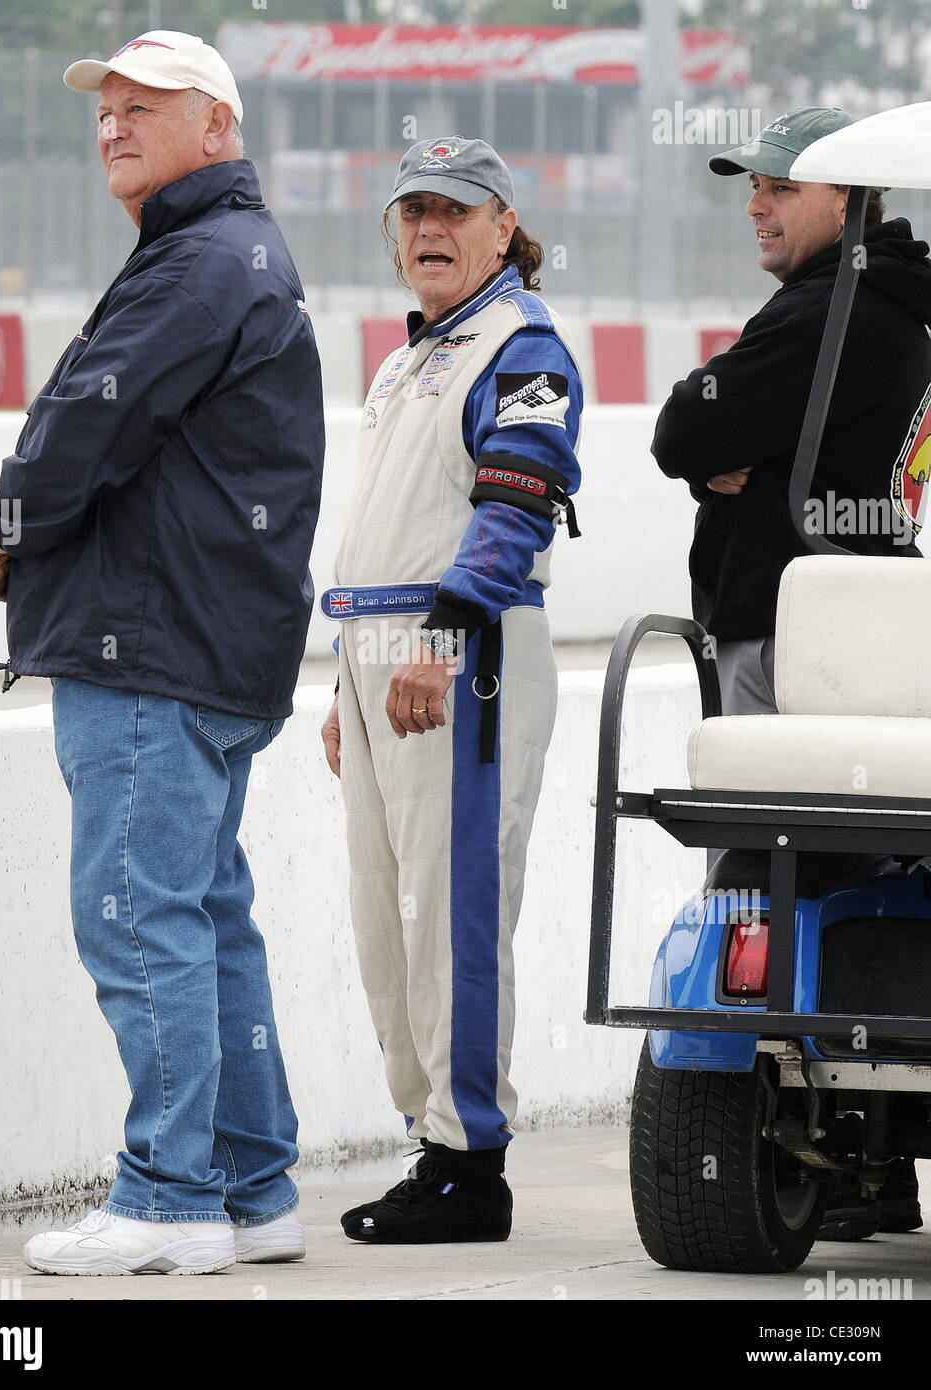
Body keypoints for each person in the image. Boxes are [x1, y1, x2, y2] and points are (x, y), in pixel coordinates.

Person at [0, 30, 324, 1274]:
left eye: (145, 107)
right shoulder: (226, 255)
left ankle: (167, 1200)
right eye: (105, 109)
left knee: (137, 919)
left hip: (149, 651)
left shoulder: (199, 265)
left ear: (218, 127)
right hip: (204, 648)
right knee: (206, 920)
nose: (113, 124)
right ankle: (257, 1191)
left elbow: (82, 430)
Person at [652, 106, 931, 1241]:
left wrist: (722, 452)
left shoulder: (830, 308)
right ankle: (868, 1173)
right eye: (750, 185)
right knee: (856, 853)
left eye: (778, 185)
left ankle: (807, 1119)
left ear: (844, 200)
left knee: (767, 866)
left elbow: (679, 429)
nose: (756, 203)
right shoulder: (904, 310)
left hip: (787, 621)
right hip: (874, 626)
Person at [320, 137, 583, 1244]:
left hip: (458, 657)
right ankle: (429, 1144)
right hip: (382, 663)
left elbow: (517, 501)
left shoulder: (520, 344)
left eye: (452, 209)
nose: (427, 227)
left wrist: (439, 634)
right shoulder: (409, 357)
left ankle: (470, 1166)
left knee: (452, 922)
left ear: (500, 226)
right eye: (410, 210)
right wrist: (349, 678)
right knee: (387, 925)